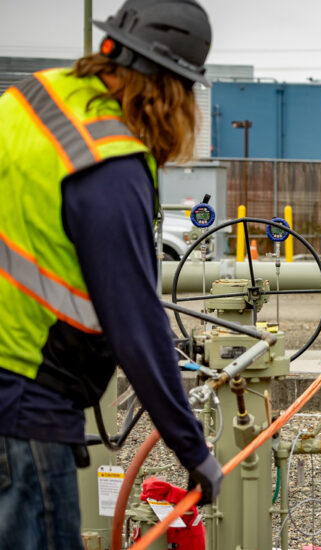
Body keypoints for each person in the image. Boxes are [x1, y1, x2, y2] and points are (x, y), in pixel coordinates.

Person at [0, 1, 222, 548]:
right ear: (170, 90)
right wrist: (193, 452)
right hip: (25, 404)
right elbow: (137, 324)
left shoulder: (31, 98)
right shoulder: (110, 161)